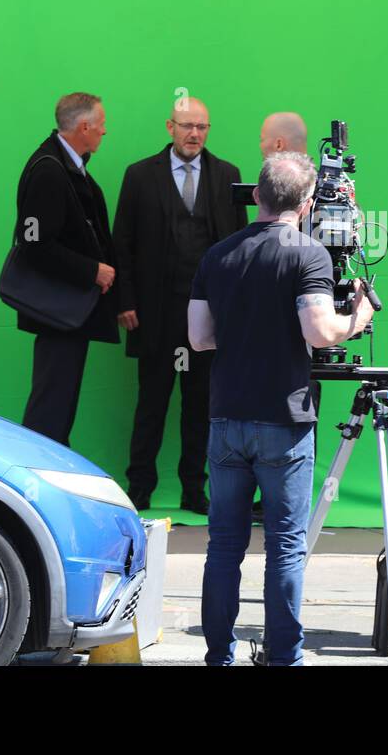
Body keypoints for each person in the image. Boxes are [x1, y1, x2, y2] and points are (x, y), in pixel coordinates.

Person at [187, 151, 375, 666]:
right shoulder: (308, 255)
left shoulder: (216, 256)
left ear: (256, 196)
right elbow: (319, 332)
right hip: (284, 421)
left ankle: (219, 656)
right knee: (285, 548)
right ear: (308, 202)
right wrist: (357, 316)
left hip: (226, 417)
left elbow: (199, 338)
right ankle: (284, 657)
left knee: (223, 547)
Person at [113, 97, 248, 514]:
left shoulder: (228, 176)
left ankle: (195, 490)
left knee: (201, 405)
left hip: (208, 314)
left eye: (202, 127)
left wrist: (234, 307)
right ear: (170, 126)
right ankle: (139, 487)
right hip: (154, 312)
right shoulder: (139, 176)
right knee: (151, 404)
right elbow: (123, 242)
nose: (195, 135)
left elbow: (242, 245)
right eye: (188, 126)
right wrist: (125, 300)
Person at [16, 92, 119, 446]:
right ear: (84, 126)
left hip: (67, 313)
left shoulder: (66, 164)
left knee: (58, 403)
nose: (105, 131)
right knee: (51, 407)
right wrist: (92, 271)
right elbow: (35, 245)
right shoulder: (49, 170)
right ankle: (39, 479)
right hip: (58, 314)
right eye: (101, 124)